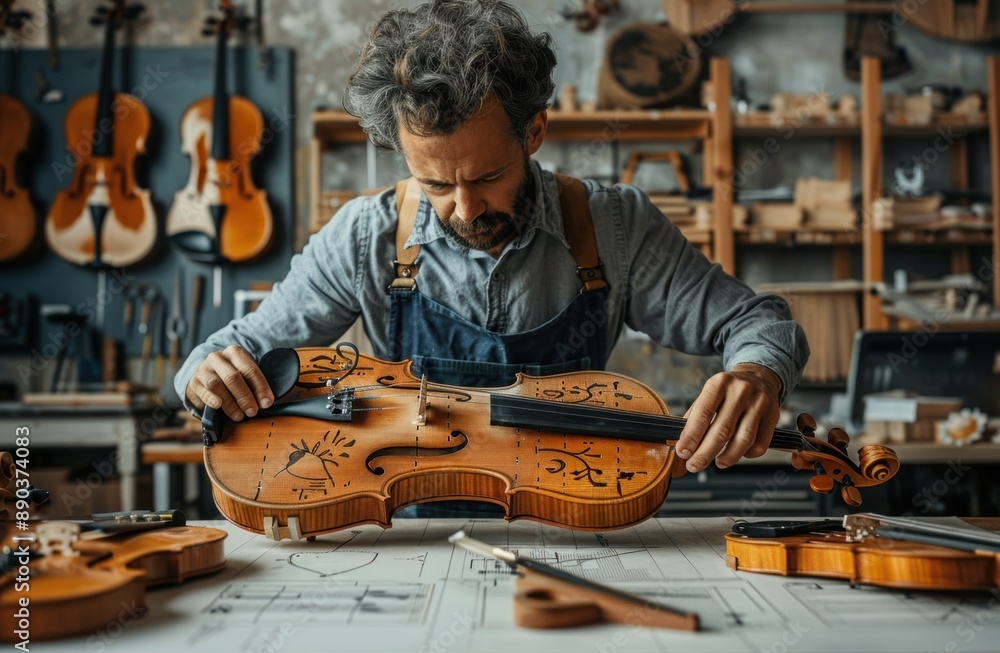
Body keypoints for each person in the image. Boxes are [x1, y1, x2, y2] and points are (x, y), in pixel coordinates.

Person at [174, 0, 808, 483]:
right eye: (434, 184)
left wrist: (756, 374)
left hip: (571, 516)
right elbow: (220, 358)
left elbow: (761, 322)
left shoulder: (614, 226)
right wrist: (207, 377)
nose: (465, 207)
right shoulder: (365, 236)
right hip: (405, 524)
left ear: (533, 132)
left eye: (485, 177)